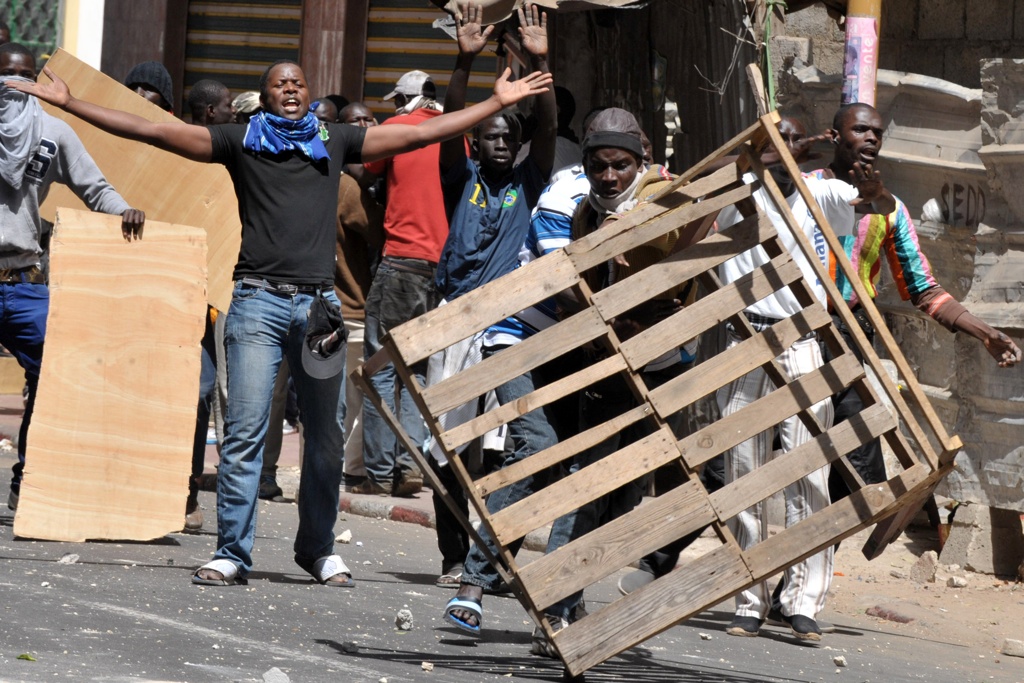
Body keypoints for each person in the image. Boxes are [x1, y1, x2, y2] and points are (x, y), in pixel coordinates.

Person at [6, 55, 550, 586]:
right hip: (256, 303)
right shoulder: (241, 140)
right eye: (280, 84)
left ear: (308, 95)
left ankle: (318, 550)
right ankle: (231, 553)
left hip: (320, 313)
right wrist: (72, 104)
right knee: (244, 433)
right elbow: (154, 131)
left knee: (326, 439)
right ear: (265, 98)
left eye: (299, 82)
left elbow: (421, 134)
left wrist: (492, 103)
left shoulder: (335, 139)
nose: (291, 88)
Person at [523, 107, 703, 655]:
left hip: (666, 363)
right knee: (589, 484)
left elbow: (691, 238)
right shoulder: (584, 213)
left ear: (639, 161)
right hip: (609, 368)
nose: (608, 177)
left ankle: (612, 580)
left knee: (640, 489)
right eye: (598, 166)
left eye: (619, 166)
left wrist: (637, 290)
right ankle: (556, 610)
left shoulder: (664, 197)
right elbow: (575, 287)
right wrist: (605, 313)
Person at [715, 117, 895, 641]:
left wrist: (875, 190)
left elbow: (879, 205)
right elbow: (714, 176)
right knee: (743, 470)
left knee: (809, 470)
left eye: (795, 140)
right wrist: (764, 152)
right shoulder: (739, 190)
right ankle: (750, 599)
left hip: (802, 341)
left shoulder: (821, 192)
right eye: (778, 141)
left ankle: (802, 601)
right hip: (745, 340)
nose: (788, 149)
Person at [808, 103, 1021, 504]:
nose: (871, 138)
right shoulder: (802, 190)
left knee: (859, 466)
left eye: (877, 132)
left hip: (851, 335)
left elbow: (923, 289)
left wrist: (984, 333)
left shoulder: (891, 211)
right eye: (860, 130)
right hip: (799, 332)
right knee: (791, 445)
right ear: (835, 137)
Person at [431, 2, 554, 592]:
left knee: (510, 447)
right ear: (476, 143)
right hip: (454, 321)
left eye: (509, 137)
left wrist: (542, 63)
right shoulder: (460, 178)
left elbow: (548, 131)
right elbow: (451, 122)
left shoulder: (528, 182)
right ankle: (453, 555)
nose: (501, 143)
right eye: (491, 136)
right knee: (450, 448)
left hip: (506, 326)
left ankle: (496, 557)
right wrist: (465, 61)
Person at [0, 43, 145, 510]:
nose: (14, 85)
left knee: (55, 374)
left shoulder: (53, 132)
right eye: (6, 74)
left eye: (25, 77)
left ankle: (28, 481)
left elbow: (94, 187)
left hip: (23, 280)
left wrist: (124, 211)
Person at [356, 69, 450, 498]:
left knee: (379, 367)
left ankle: (378, 472)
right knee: (417, 370)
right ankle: (410, 464)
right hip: (439, 267)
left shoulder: (396, 129)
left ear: (406, 100)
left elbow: (365, 168)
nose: (394, 107)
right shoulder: (453, 132)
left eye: (397, 100)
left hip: (400, 260)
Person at [181, 78, 235, 530]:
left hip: (208, 300)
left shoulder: (232, 155)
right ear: (210, 113)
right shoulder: (174, 151)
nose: (235, 113)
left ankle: (187, 492)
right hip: (165, 288)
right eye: (229, 106)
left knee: (199, 393)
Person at [335, 102, 384, 491]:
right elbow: (380, 232)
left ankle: (332, 468)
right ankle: (350, 468)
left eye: (370, 120)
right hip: (348, 309)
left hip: (335, 307)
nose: (365, 126)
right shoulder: (347, 187)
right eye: (356, 122)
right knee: (351, 396)